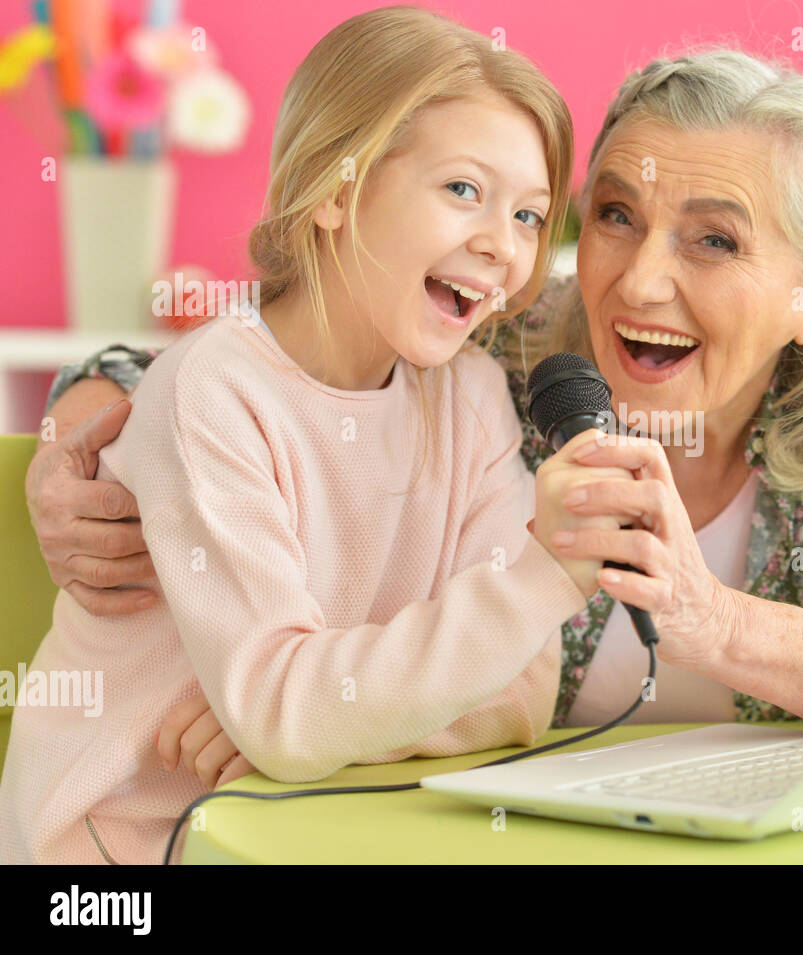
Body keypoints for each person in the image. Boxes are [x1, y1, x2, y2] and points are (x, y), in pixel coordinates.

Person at [26, 49, 803, 798]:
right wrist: (80, 440)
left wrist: (711, 620)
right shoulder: (500, 342)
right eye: (617, 216)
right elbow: (259, 357)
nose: (636, 281)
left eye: (713, 239)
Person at [0, 7, 622, 865]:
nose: (502, 247)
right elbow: (291, 711)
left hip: (319, 820)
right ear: (334, 190)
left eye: (529, 215)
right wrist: (544, 576)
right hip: (125, 851)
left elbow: (521, 687)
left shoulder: (473, 398)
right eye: (464, 190)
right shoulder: (214, 393)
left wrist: (317, 725)